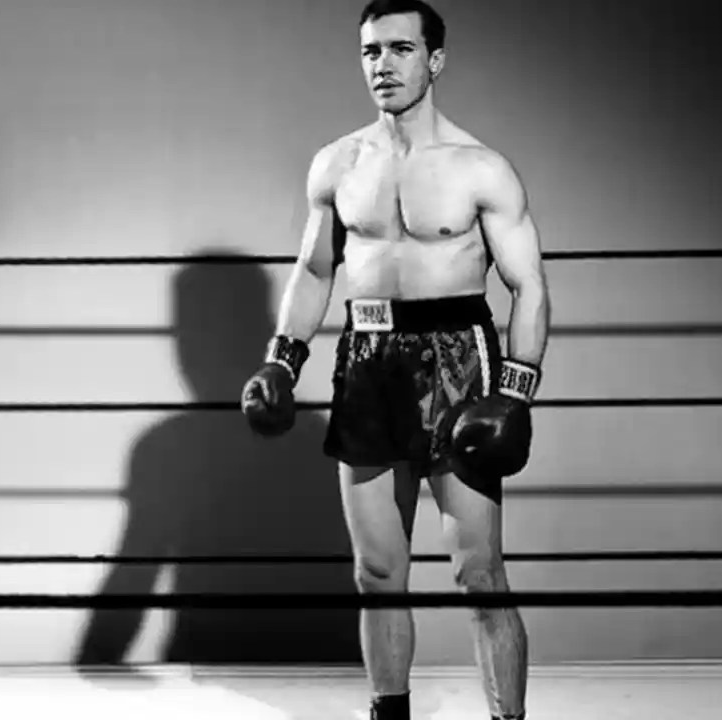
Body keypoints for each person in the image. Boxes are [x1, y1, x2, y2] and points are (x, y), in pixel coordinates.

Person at [241, 1, 549, 718]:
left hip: (457, 361)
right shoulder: (337, 163)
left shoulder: (480, 168)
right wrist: (282, 361)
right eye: (371, 51)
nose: (383, 64)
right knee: (377, 573)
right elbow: (315, 271)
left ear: (434, 60)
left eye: (401, 49)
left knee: (479, 573)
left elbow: (529, 284)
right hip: (368, 356)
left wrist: (515, 392)